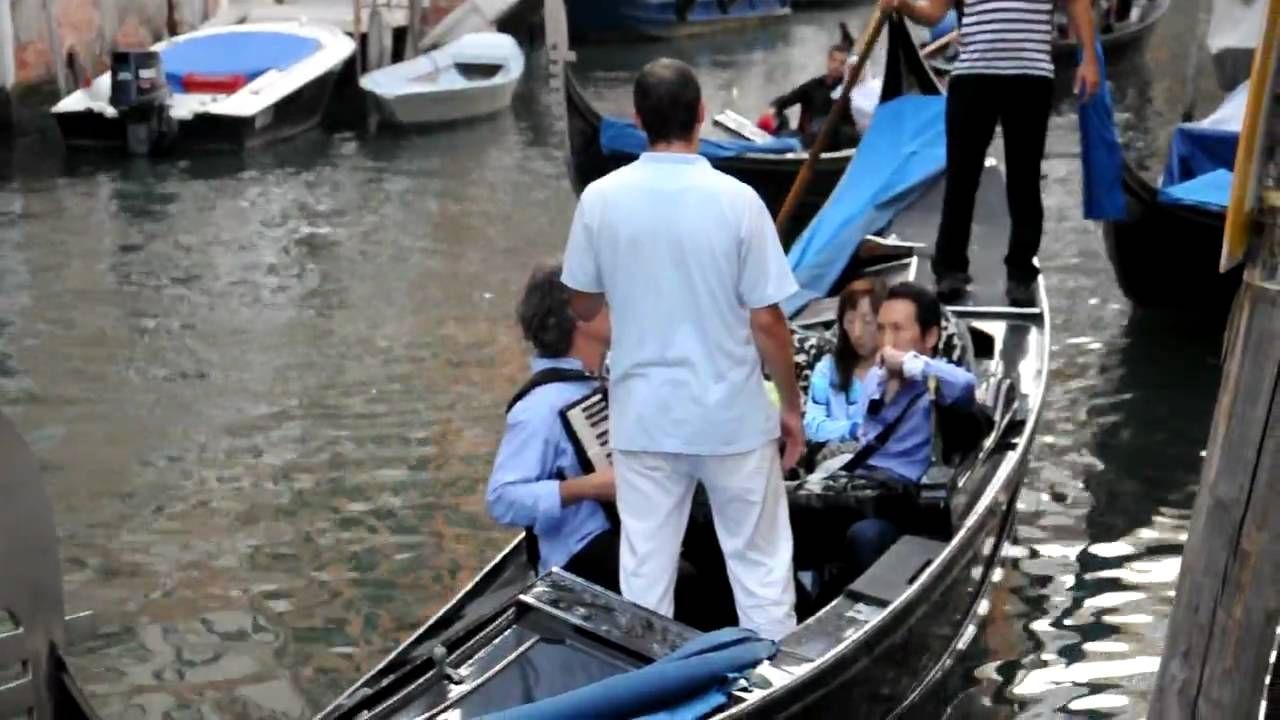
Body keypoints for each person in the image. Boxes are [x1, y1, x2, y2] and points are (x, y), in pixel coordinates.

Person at [561, 58, 804, 641]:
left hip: (645, 417)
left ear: (639, 119)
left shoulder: (599, 199)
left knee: (645, 573)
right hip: (732, 418)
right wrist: (790, 407)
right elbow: (768, 322)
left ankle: (651, 688)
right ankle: (774, 679)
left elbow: (581, 305)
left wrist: (634, 318)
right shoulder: (739, 200)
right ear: (701, 114)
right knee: (759, 566)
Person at [879, 0, 1100, 306]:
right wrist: (901, 4)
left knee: (1024, 181)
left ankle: (1021, 274)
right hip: (973, 76)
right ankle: (950, 270)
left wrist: (1088, 58)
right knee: (961, 179)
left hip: (1030, 76)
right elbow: (933, 13)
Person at [485, 265, 618, 590]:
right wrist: (588, 487)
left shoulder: (604, 378)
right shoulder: (541, 407)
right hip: (584, 561)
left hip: (627, 538)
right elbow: (502, 500)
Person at [842, 282, 977, 576]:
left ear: (929, 336)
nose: (886, 341)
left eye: (897, 329)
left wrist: (907, 363)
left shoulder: (934, 381)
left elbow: (965, 386)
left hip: (908, 506)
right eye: (881, 329)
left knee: (865, 536)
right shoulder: (873, 380)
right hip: (864, 493)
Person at [804, 279, 885, 447]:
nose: (857, 333)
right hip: (834, 462)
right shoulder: (827, 369)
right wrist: (851, 429)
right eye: (850, 321)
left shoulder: (895, 371)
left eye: (867, 322)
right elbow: (812, 425)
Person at [763, 35, 860, 150]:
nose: (836, 66)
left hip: (832, 142)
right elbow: (787, 99)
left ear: (847, 66)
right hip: (804, 138)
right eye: (834, 61)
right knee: (779, 123)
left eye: (842, 63)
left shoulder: (849, 89)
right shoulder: (813, 85)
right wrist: (773, 108)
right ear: (828, 61)